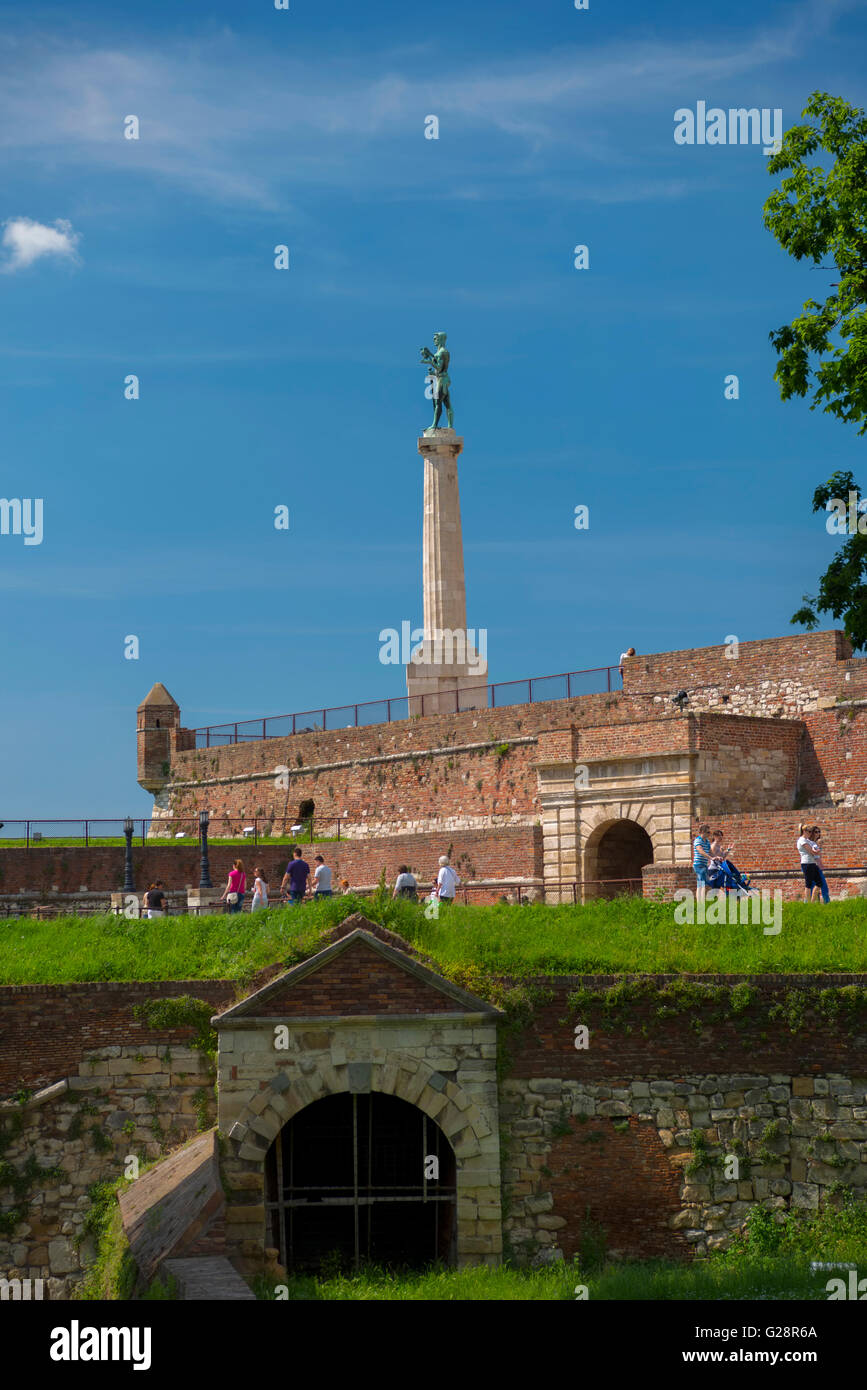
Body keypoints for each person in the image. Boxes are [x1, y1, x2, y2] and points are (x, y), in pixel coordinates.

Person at [797, 823, 822, 903]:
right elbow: (812, 852)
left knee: (819, 882)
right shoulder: (801, 840)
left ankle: (812, 902)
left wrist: (817, 849)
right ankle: (807, 903)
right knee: (808, 884)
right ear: (804, 831)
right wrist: (817, 851)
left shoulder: (808, 841)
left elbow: (815, 848)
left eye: (811, 831)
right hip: (806, 863)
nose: (811, 833)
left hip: (812, 863)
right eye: (809, 831)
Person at [809, 825, 831, 904]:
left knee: (823, 884)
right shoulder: (810, 843)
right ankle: (813, 903)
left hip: (818, 866)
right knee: (814, 885)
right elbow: (813, 855)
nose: (818, 833)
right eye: (816, 832)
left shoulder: (817, 843)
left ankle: (826, 902)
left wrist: (821, 865)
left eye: (819, 832)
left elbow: (819, 856)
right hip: (812, 866)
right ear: (812, 833)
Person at [692, 823, 712, 903]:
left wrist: (716, 857)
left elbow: (710, 852)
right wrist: (711, 858)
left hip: (704, 864)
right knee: (701, 884)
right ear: (702, 832)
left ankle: (700, 902)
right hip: (698, 864)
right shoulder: (698, 840)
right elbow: (700, 851)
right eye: (708, 832)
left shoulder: (707, 841)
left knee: (701, 883)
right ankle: (701, 902)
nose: (709, 834)